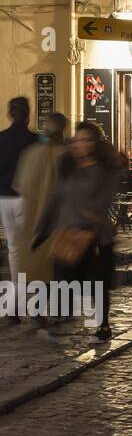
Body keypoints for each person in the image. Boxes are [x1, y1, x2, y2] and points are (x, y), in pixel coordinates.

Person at [42, 122, 121, 343]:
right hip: (68, 233)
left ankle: (103, 325)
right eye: (77, 140)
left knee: (98, 283)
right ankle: (59, 319)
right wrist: (43, 227)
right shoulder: (68, 167)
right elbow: (56, 197)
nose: (80, 145)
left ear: (95, 143)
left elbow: (104, 201)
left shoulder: (104, 170)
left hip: (95, 236)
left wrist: (91, 214)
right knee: (63, 279)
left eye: (86, 140)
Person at [13, 113, 67, 335]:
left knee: (34, 268)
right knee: (55, 267)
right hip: (56, 220)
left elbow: (21, 187)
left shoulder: (31, 154)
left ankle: (35, 308)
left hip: (31, 219)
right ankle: (54, 309)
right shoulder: (65, 155)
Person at [0, 97, 39, 323]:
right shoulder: (35, 141)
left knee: (14, 250)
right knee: (30, 250)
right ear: (28, 115)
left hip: (3, 199)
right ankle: (31, 305)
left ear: (9, 114)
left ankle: (14, 307)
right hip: (26, 199)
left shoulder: (1, 139)